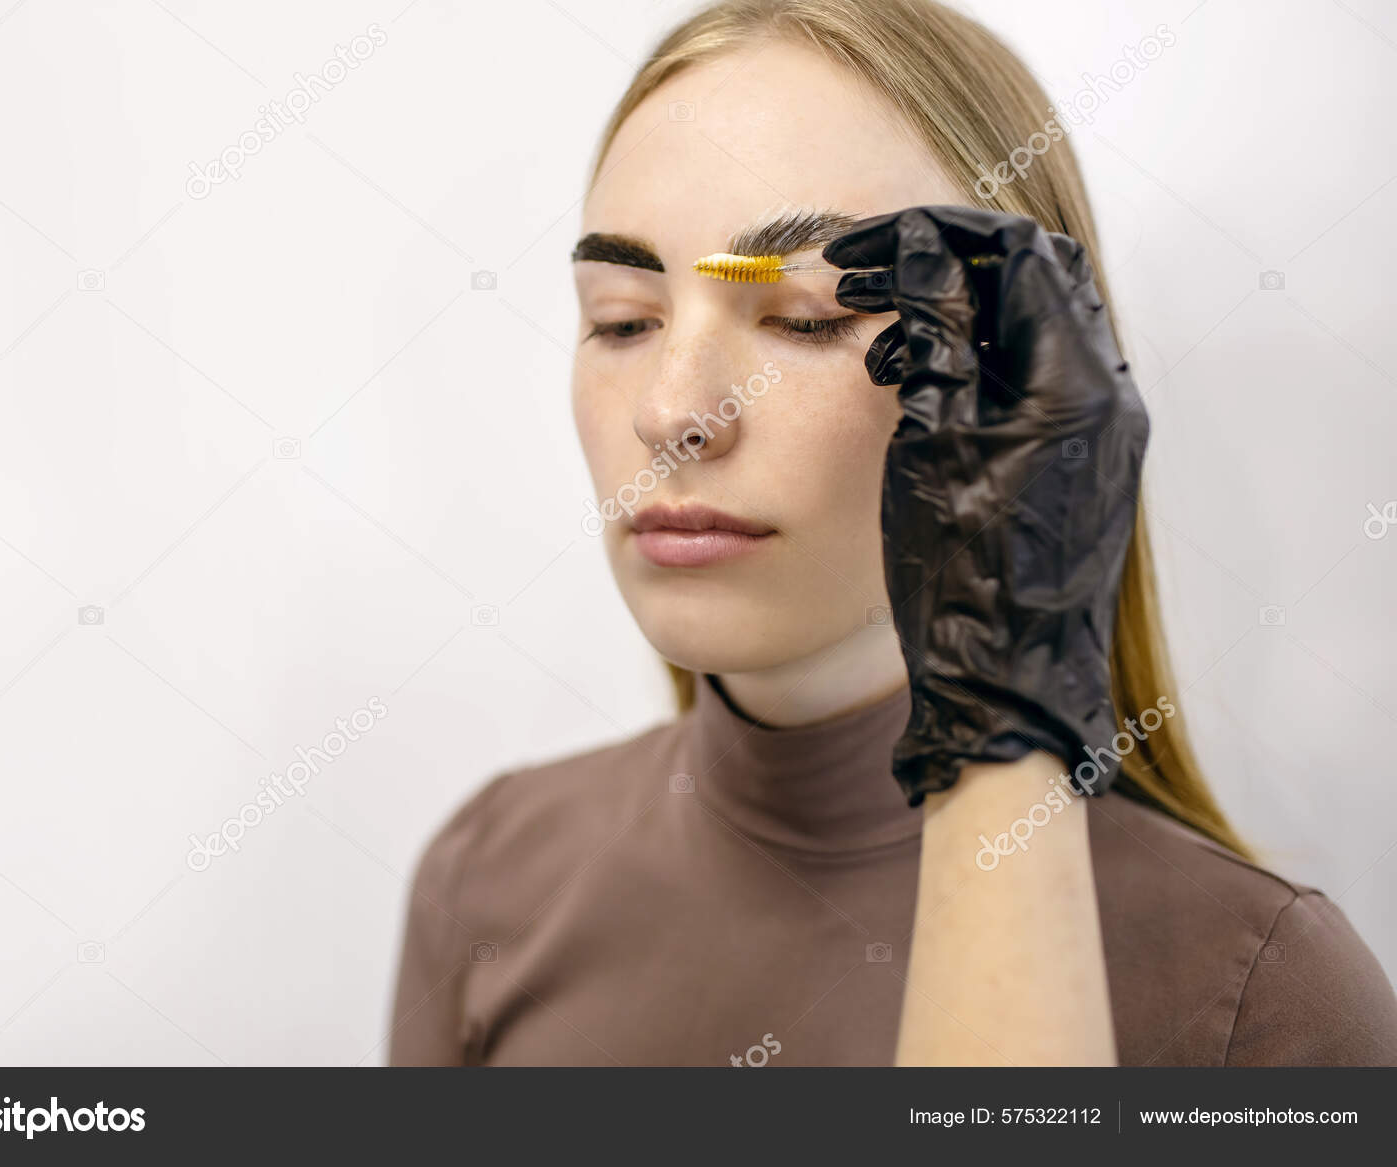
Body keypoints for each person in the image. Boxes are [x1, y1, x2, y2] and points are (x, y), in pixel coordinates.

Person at [388, 0, 1397, 1066]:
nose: (671, 412)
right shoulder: (488, 878)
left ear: (1025, 379)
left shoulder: (1257, 998)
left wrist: (997, 710)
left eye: (809, 317)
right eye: (623, 320)